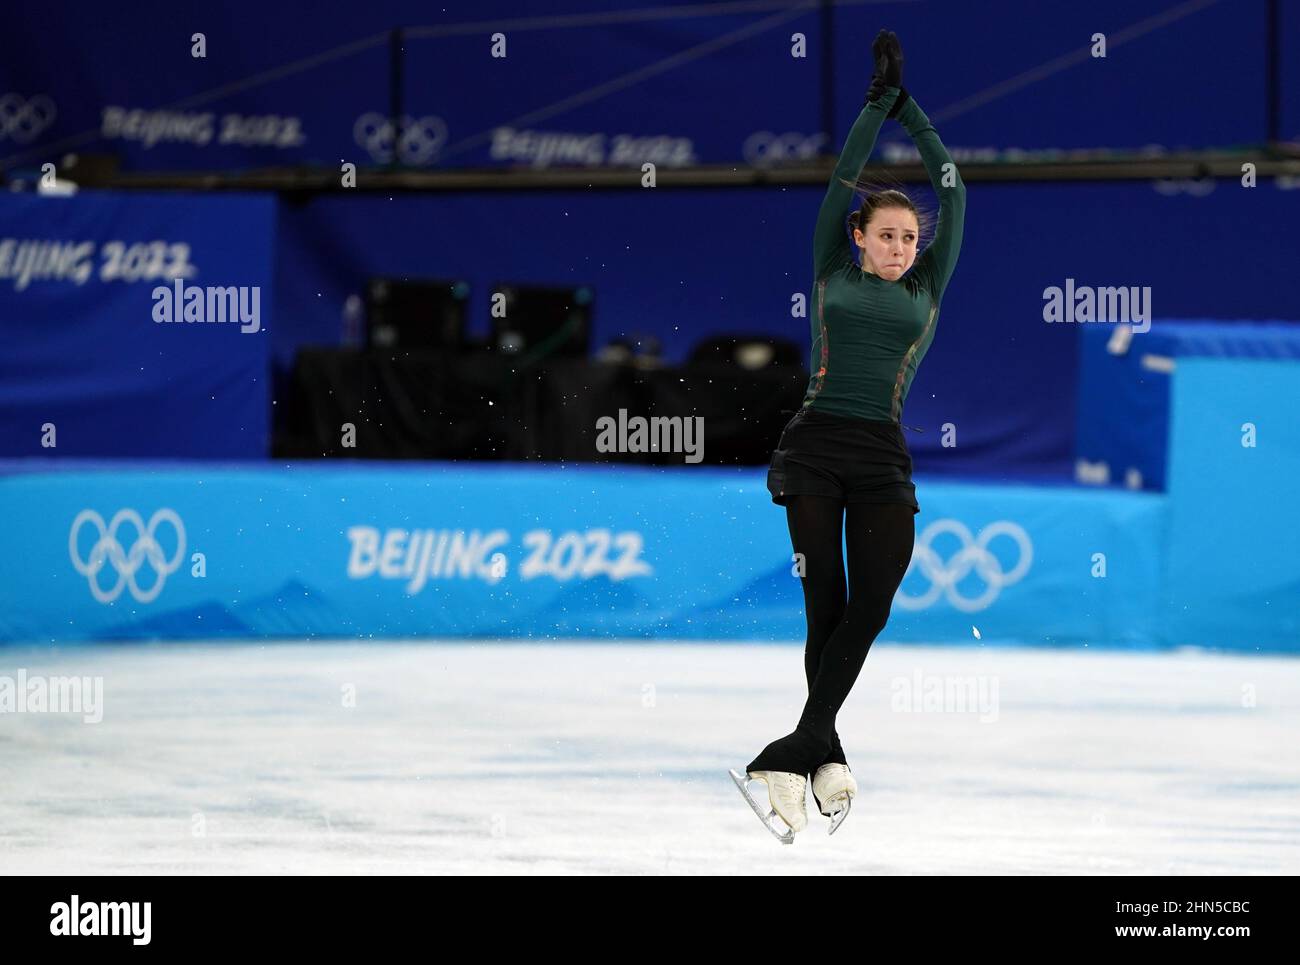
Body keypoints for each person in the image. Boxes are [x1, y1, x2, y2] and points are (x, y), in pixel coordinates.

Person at [743, 29, 966, 834]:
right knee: (824, 605)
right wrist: (877, 109)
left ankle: (800, 747)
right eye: (887, 236)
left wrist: (915, 111)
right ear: (860, 239)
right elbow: (843, 175)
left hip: (881, 456)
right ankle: (825, 752)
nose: (902, 248)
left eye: (911, 238)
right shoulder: (831, 270)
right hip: (813, 447)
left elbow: (956, 188)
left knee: (868, 606)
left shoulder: (930, 286)